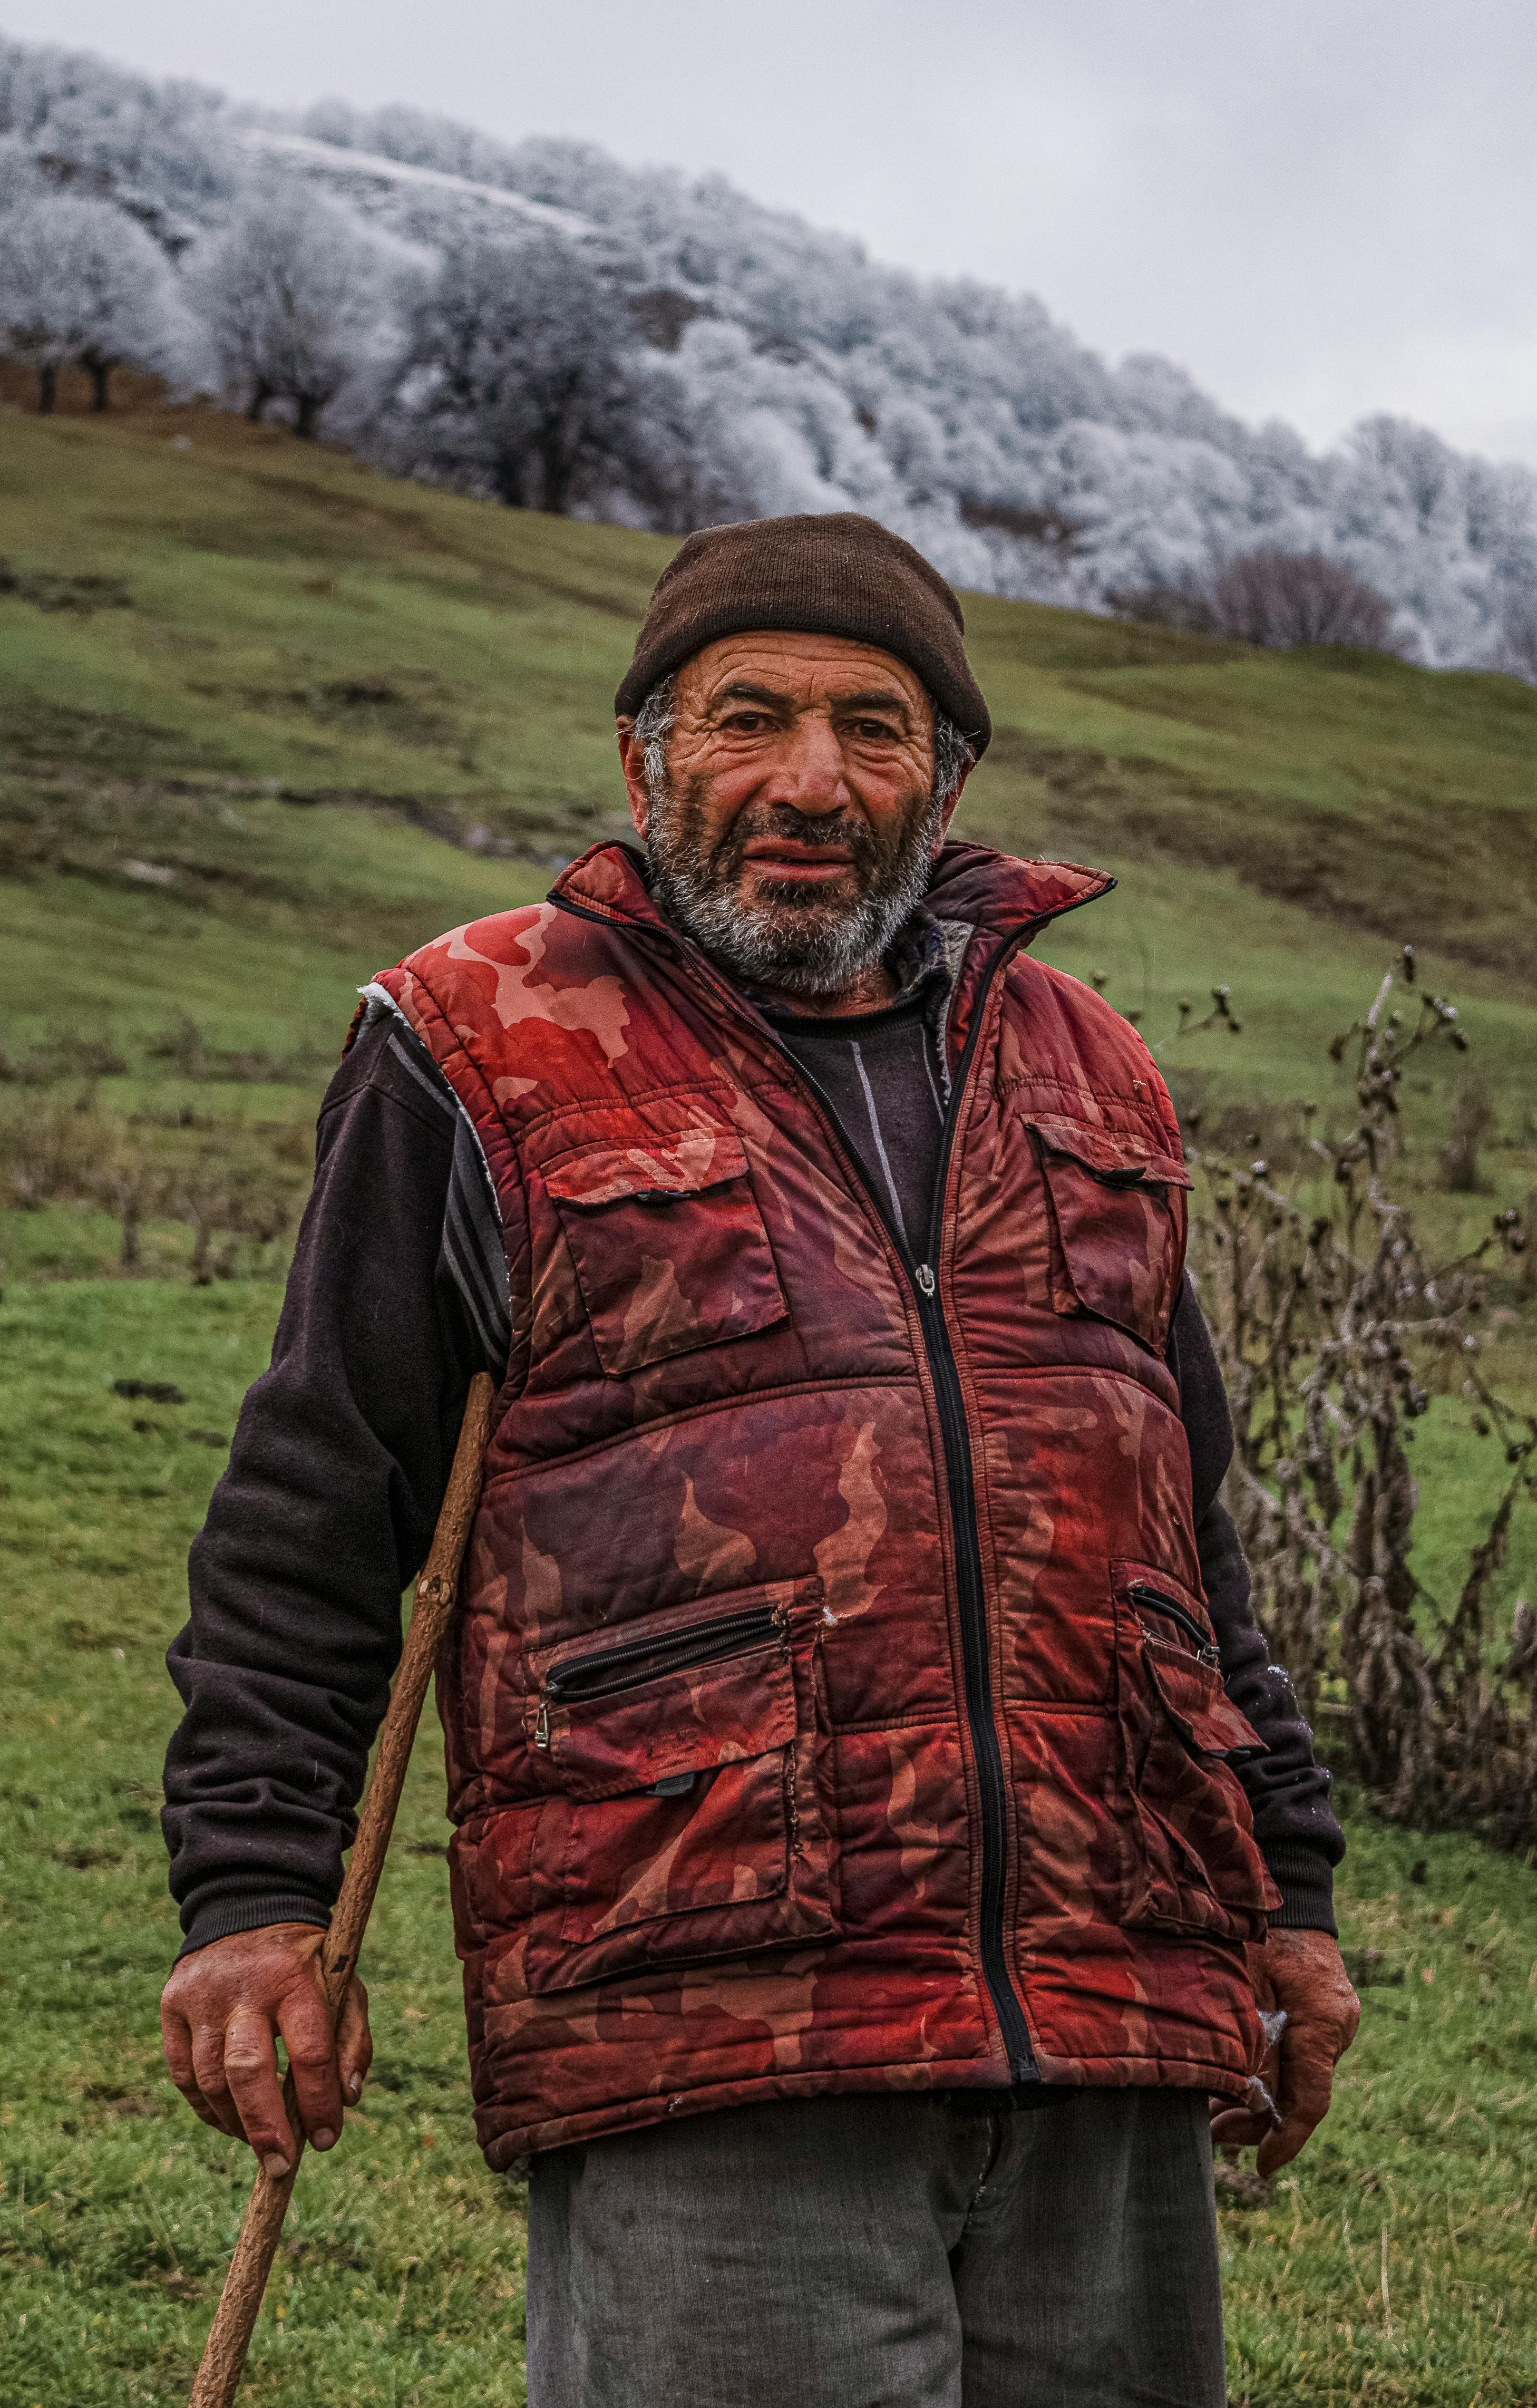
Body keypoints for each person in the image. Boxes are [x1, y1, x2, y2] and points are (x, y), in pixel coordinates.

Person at [160, 513, 1359, 2406]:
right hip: (711, 1990)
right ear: (644, 757)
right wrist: (254, 1901)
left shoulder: (1089, 1066)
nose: (811, 780)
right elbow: (314, 1509)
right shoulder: (478, 1039)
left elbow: (1183, 1545)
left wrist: (1282, 1897)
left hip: (1107, 1997)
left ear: (943, 780)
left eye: (873, 730)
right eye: (749, 719)